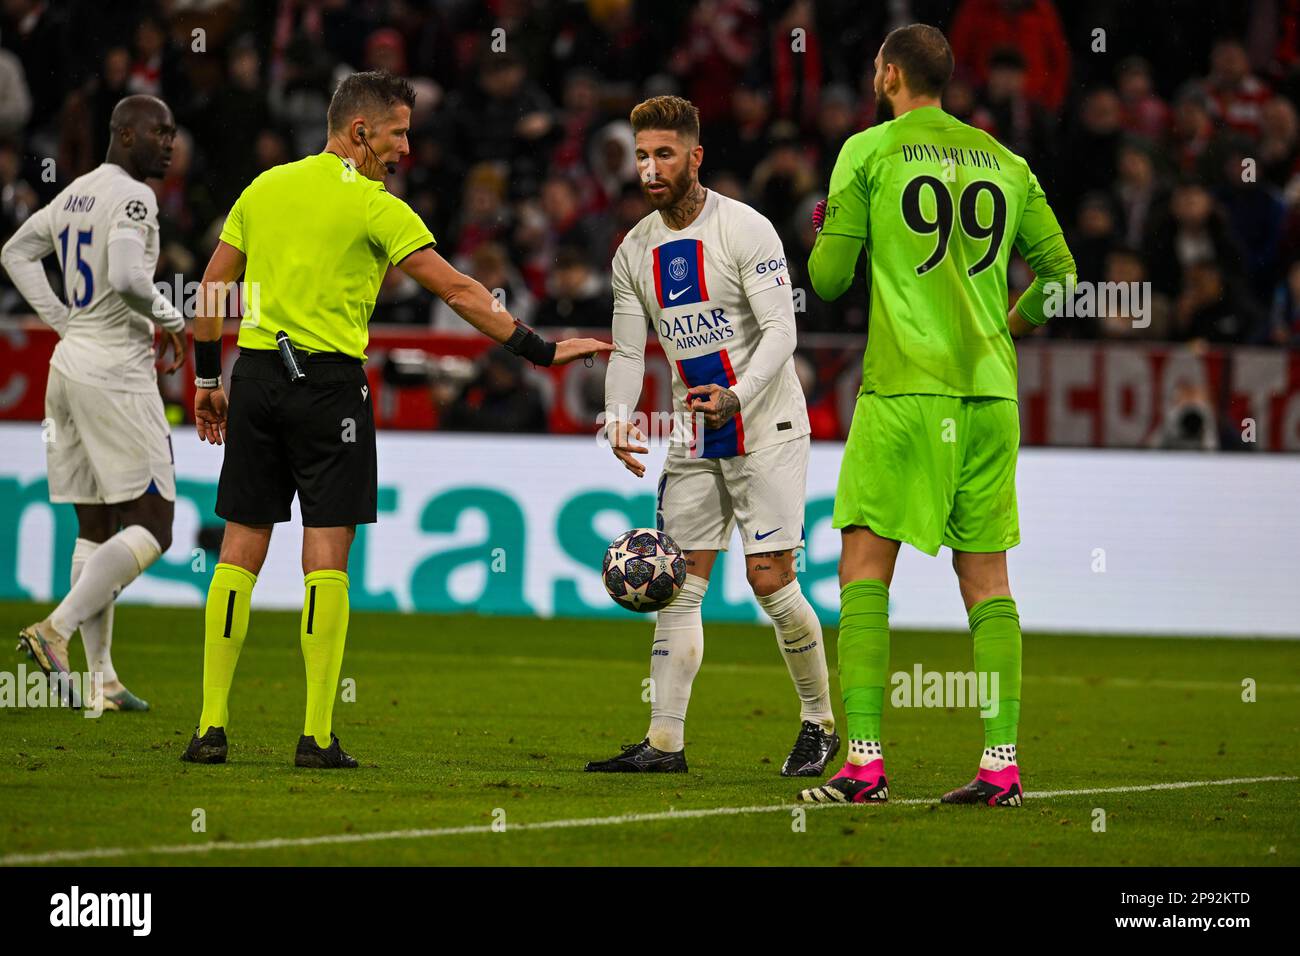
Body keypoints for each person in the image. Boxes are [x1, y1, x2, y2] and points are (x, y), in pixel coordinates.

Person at [182, 70, 608, 769]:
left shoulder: (265, 187)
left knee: (239, 548)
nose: (406, 148)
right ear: (360, 133)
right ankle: (316, 735)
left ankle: (209, 728)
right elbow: (461, 289)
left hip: (255, 376)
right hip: (328, 388)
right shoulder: (378, 208)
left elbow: (212, 288)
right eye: (398, 133)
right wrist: (542, 349)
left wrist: (205, 378)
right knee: (326, 552)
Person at [801, 24, 1075, 807]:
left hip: (905, 392)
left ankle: (862, 763)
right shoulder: (1008, 162)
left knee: (862, 569)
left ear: (888, 73)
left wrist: (826, 224)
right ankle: (1000, 766)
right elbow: (1061, 276)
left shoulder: (870, 150)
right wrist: (1003, 331)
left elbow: (825, 282)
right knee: (988, 581)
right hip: (991, 397)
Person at [591, 94, 838, 777]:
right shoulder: (633, 251)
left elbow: (783, 332)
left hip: (768, 425)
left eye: (664, 154)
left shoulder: (747, 230)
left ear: (695, 157)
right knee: (679, 585)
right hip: (696, 436)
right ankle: (664, 742)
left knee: (769, 578)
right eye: (641, 155)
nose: (649, 168)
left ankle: (819, 723)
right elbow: (625, 351)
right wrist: (617, 418)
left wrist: (737, 395)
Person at [2, 94, 185, 713]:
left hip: (68, 368)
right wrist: (175, 319)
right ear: (125, 134)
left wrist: (61, 320)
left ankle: (101, 681)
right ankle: (54, 629)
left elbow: (15, 253)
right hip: (115, 372)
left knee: (96, 525)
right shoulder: (135, 197)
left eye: (173, 133)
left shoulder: (76, 191)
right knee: (156, 525)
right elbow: (132, 280)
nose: (169, 143)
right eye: (159, 132)